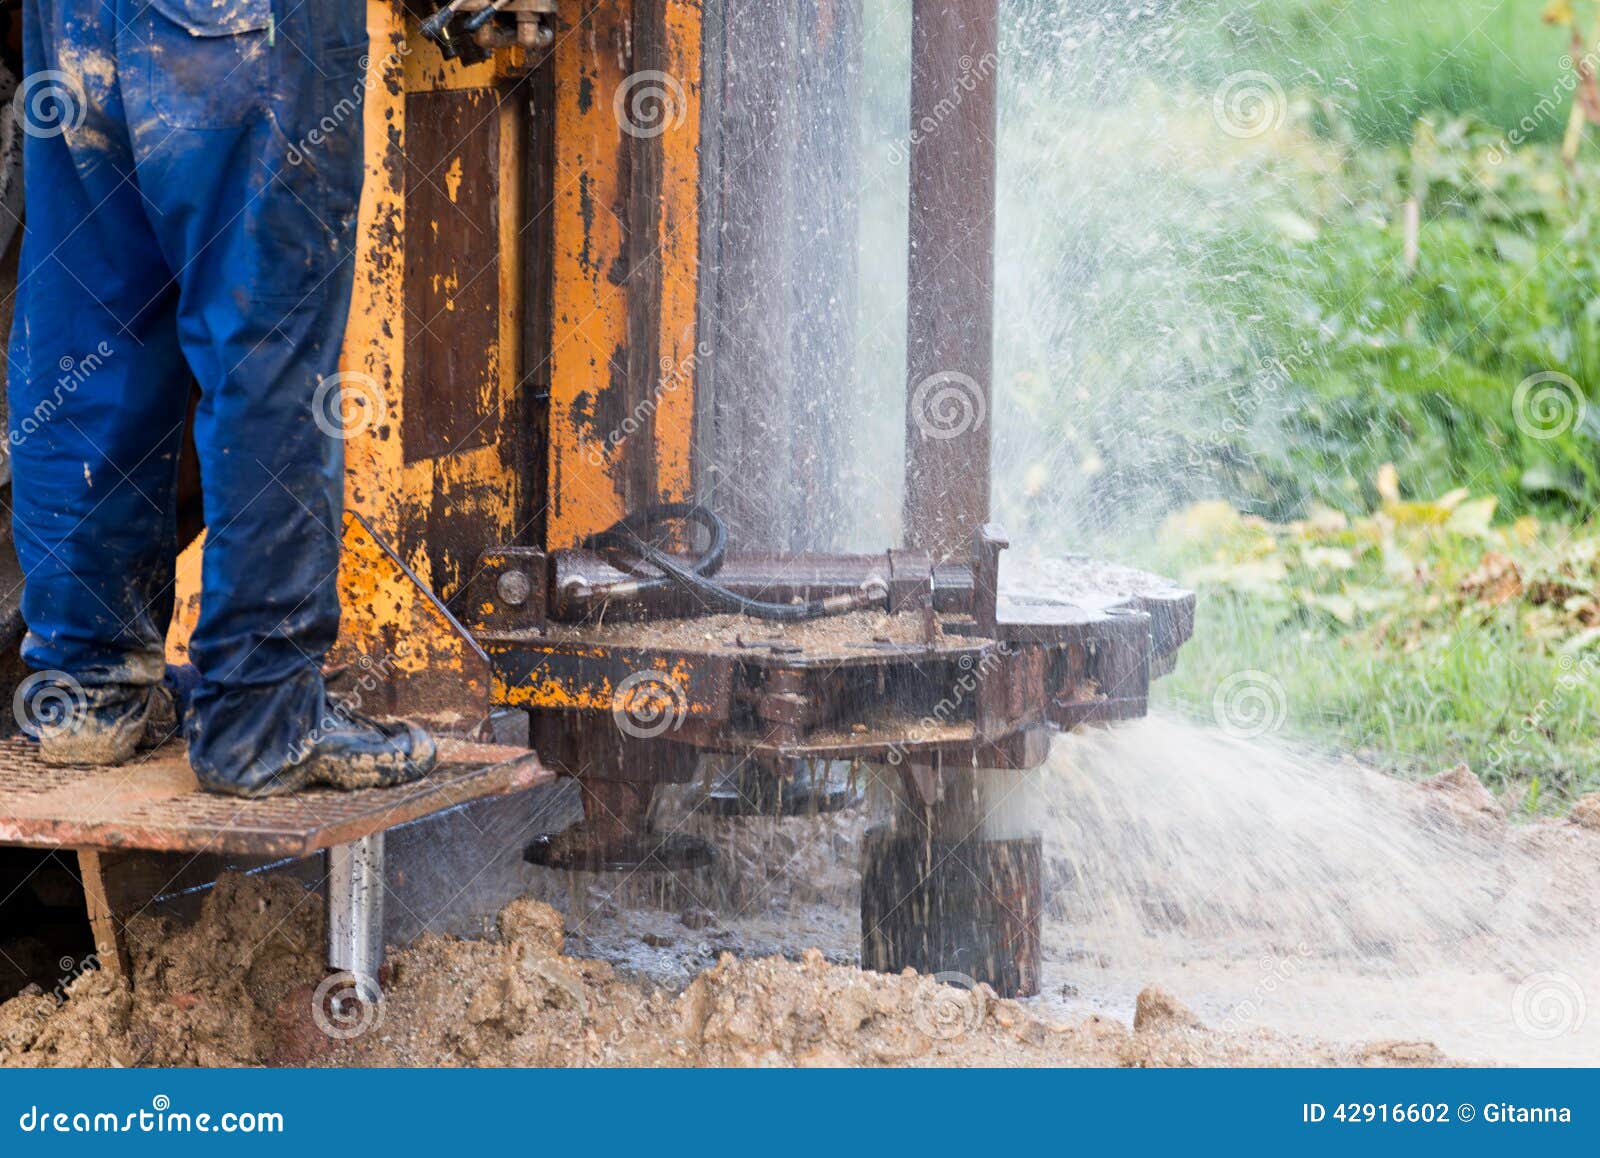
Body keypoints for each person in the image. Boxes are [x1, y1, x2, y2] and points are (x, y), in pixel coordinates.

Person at [6, 0, 436, 795]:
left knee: (92, 314)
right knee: (266, 331)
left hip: (75, 16)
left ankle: (87, 691)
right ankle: (261, 715)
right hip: (239, 22)